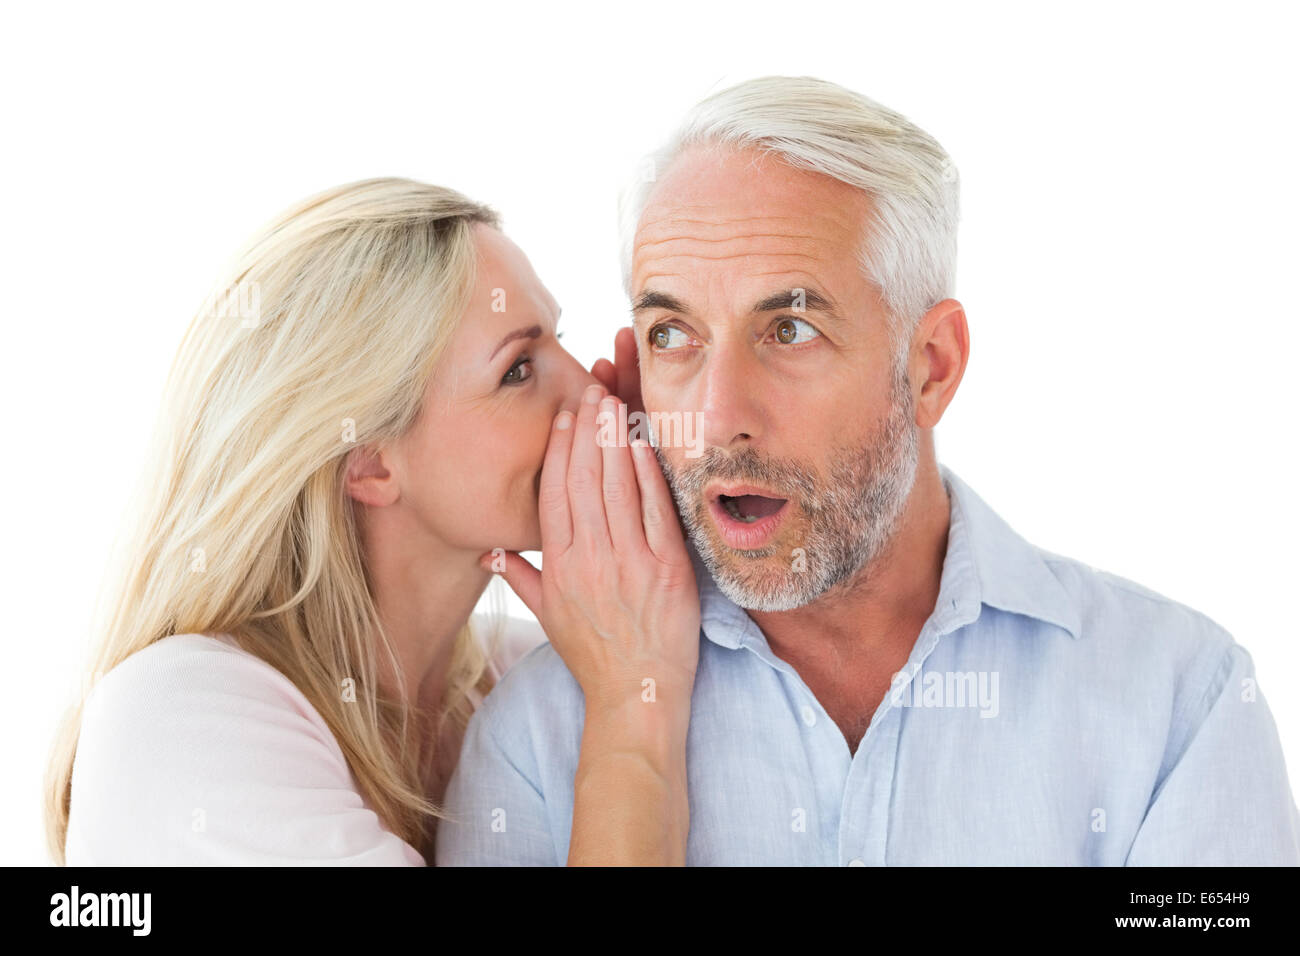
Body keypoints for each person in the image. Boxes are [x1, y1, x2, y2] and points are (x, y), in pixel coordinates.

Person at [438, 76, 1300, 865]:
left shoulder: (1183, 701)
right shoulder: (541, 742)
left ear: (931, 366)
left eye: (790, 331)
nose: (718, 417)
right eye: (672, 335)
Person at [45, 178, 699, 865]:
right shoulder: (176, 715)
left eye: (560, 339)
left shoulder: (530, 678)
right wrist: (632, 704)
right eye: (518, 369)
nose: (595, 391)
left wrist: (680, 518)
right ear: (369, 465)